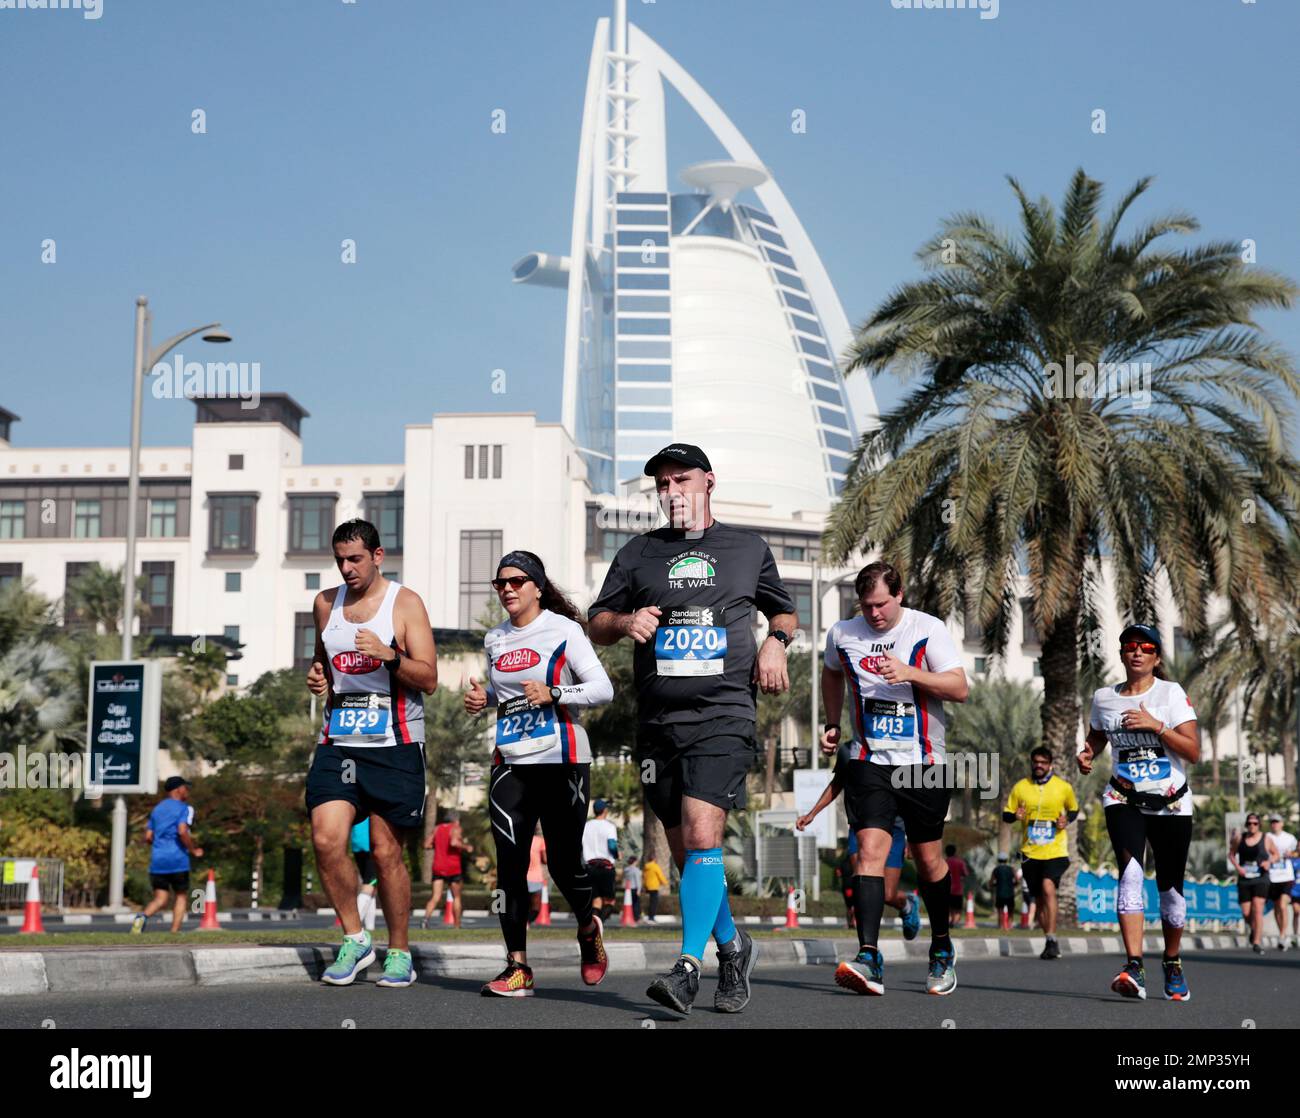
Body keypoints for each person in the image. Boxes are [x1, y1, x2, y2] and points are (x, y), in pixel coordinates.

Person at [589, 443, 797, 1014]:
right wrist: (627, 620)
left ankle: (687, 969)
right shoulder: (638, 553)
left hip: (723, 714)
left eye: (681, 480)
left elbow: (783, 611)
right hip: (658, 723)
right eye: (661, 484)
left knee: (703, 839)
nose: (671, 492)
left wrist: (776, 643)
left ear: (708, 482)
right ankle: (733, 946)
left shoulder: (748, 548)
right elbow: (596, 623)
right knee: (689, 858)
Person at [465, 550, 614, 997]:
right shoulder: (495, 638)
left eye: (515, 581)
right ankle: (518, 967)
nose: (507, 589)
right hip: (511, 761)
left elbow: (602, 688)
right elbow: (507, 692)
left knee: (566, 866)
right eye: (500, 583)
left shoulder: (564, 630)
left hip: (562, 760)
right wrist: (485, 699)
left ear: (536, 586)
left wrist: (555, 692)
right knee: (510, 866)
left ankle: (588, 930)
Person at [818, 560, 969, 997]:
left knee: (928, 862)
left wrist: (910, 673)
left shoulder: (927, 629)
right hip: (869, 761)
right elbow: (831, 671)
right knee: (868, 852)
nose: (874, 615)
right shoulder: (843, 634)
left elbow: (960, 688)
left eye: (881, 604)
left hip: (922, 764)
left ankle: (941, 947)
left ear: (899, 594)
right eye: (866, 607)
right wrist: (832, 722)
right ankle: (869, 956)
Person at [305, 519, 438, 988]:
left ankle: (399, 952)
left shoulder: (405, 604)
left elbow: (429, 679)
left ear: (378, 556)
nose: (346, 568)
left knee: (385, 854)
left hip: (395, 743)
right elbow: (324, 662)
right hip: (339, 741)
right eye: (340, 559)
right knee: (326, 839)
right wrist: (318, 678)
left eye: (355, 559)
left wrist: (389, 655)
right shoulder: (325, 604)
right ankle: (356, 938)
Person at [1079, 623, 1199, 1001]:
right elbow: (1098, 734)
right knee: (1130, 875)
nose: (1137, 652)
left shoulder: (1171, 694)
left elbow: (1193, 752)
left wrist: (1156, 725)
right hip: (1124, 798)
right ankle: (1134, 966)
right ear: (1122, 654)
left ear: (1156, 657)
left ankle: (1172, 961)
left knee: (1170, 890)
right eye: (1130, 646)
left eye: (1146, 647)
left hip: (1171, 802)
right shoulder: (1104, 698)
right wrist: (1088, 753)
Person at [797, 765, 921, 942]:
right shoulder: (849, 751)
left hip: (895, 827)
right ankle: (869, 950)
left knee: (887, 894)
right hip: (860, 824)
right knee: (862, 887)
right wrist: (812, 814)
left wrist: (913, 836)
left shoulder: (895, 747)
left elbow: (910, 796)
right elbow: (837, 783)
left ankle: (907, 903)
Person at [1002, 746, 1079, 959]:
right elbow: (1006, 815)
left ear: (1050, 764)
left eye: (1043, 762)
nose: (1039, 765)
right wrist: (1015, 816)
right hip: (1030, 851)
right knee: (1039, 899)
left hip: (1055, 850)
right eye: (1036, 762)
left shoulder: (1063, 787)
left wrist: (1067, 819)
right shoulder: (1021, 787)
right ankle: (1049, 940)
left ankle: (1052, 938)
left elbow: (1073, 809)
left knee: (1048, 888)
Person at [131, 776, 204, 934]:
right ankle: (174, 931)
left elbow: (148, 836)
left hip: (158, 861)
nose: (187, 791)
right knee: (181, 896)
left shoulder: (157, 809)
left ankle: (141, 918)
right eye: (186, 788)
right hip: (177, 860)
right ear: (178, 789)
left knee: (160, 899)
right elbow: (182, 830)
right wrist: (193, 850)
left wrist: (159, 845)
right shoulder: (182, 808)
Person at [1230, 813, 1276, 955]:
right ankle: (1254, 929)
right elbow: (1231, 854)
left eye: (1255, 823)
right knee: (1246, 913)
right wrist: (1238, 868)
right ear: (1246, 825)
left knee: (1257, 908)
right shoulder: (1240, 838)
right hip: (1245, 878)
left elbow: (1276, 854)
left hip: (1261, 878)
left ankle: (1256, 942)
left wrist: (1269, 862)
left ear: (1259, 825)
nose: (1252, 826)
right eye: (1250, 823)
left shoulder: (1266, 839)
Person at [423, 811, 471, 928]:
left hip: (438, 867)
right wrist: (466, 847)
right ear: (456, 820)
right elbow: (454, 842)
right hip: (453, 868)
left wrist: (438, 846)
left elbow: (426, 845)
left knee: (435, 896)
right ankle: (457, 925)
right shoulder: (456, 828)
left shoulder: (437, 828)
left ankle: (425, 921)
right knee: (456, 897)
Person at [582, 800, 619, 916]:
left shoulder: (586, 826)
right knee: (610, 901)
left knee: (596, 901)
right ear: (605, 810)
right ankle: (600, 924)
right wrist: (617, 855)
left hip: (590, 867)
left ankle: (595, 927)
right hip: (606, 867)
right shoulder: (609, 826)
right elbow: (612, 845)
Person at [1266, 813, 1296, 951]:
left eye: (1277, 821)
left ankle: (1283, 935)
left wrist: (1292, 854)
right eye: (1272, 822)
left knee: (1283, 905)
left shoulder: (1290, 838)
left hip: (1286, 877)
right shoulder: (1267, 838)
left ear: (1282, 823)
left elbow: (1297, 852)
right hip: (1272, 877)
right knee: (1277, 907)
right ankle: (1281, 933)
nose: (1275, 824)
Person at [351, 816, 378, 932]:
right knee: (369, 884)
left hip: (357, 845)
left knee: (372, 888)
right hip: (370, 845)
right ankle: (353, 926)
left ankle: (370, 927)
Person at [990, 852, 1017, 932]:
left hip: (1000, 893)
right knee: (1010, 910)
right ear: (1006, 860)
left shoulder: (996, 870)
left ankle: (1001, 926)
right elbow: (1017, 880)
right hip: (1010, 893)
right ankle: (1010, 925)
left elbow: (991, 882)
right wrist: (1013, 885)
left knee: (1000, 910)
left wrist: (995, 885)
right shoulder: (1011, 869)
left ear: (998, 860)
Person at [945, 845, 970, 928]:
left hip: (947, 889)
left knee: (949, 907)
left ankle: (951, 921)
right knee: (958, 908)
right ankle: (954, 922)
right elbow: (966, 873)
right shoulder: (960, 862)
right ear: (954, 852)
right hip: (958, 889)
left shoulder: (944, 862)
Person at [526, 826, 547, 925]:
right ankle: (527, 923)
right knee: (535, 907)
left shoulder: (519, 839)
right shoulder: (540, 841)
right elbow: (545, 860)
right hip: (536, 877)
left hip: (522, 876)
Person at [642, 855, 667, 924]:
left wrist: (644, 885)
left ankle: (650, 917)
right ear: (654, 859)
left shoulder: (646, 866)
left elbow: (643, 876)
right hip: (654, 887)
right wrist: (665, 883)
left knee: (651, 902)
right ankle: (651, 918)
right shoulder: (655, 866)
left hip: (648, 886)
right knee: (654, 903)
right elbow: (660, 875)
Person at [624, 856, 644, 922]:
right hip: (635, 888)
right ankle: (636, 918)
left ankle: (631, 916)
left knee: (630, 904)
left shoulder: (626, 870)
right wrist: (639, 890)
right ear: (635, 861)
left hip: (628, 889)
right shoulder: (636, 870)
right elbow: (638, 881)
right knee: (636, 904)